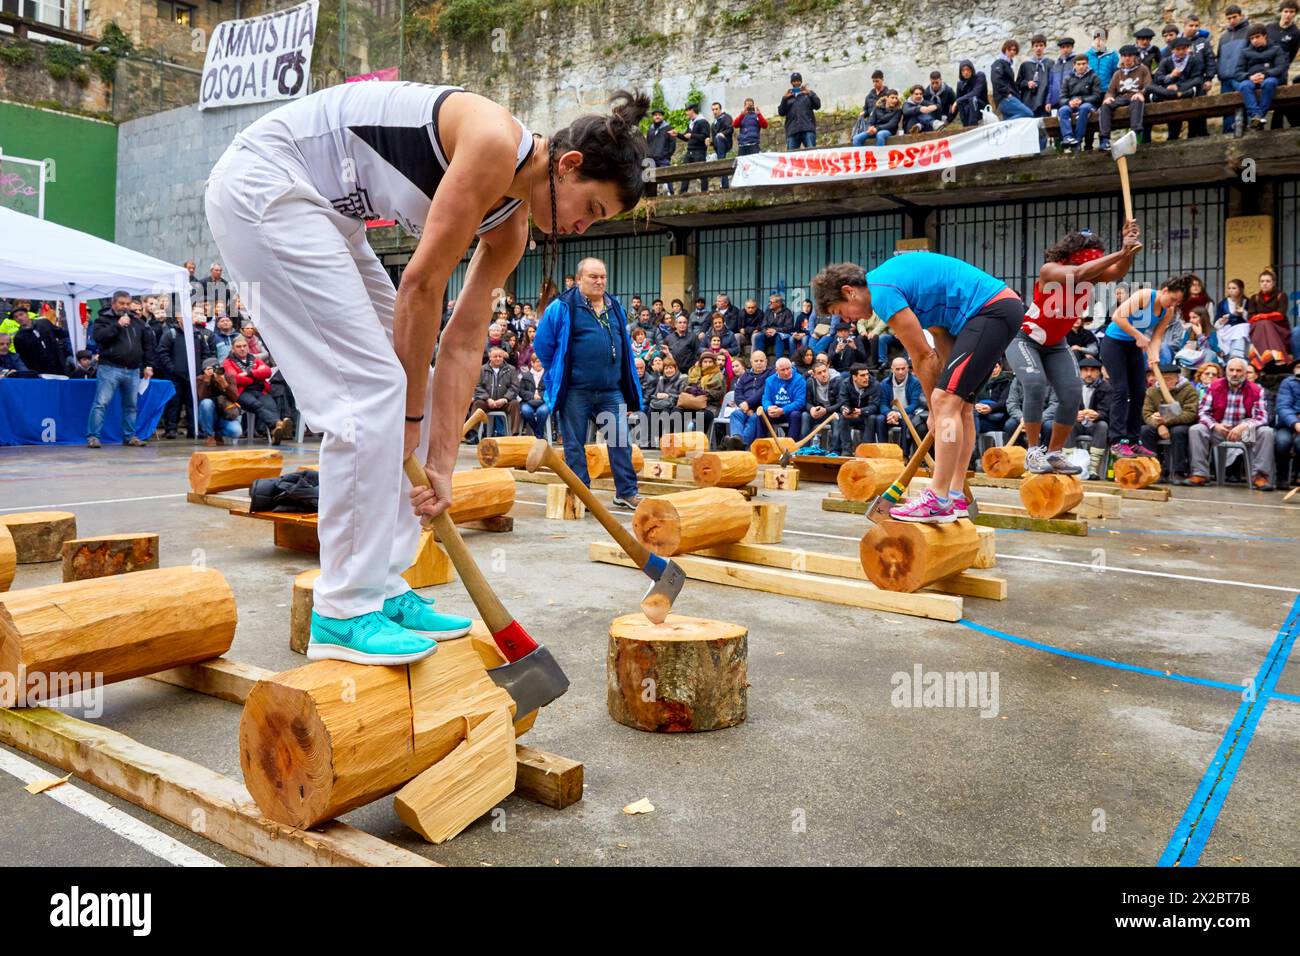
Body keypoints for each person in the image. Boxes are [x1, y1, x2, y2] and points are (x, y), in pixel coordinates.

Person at [205, 81, 650, 663]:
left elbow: (463, 342)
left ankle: (384, 583)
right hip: (264, 185)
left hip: (326, 216)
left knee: (395, 384)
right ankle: (343, 607)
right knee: (372, 393)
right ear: (567, 166)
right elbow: (420, 285)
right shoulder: (494, 142)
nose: (580, 228)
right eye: (589, 208)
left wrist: (439, 465)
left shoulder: (512, 226)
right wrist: (411, 416)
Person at [812, 252, 1024, 522]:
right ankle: (955, 495)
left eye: (840, 312)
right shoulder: (897, 285)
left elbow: (922, 356)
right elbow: (938, 334)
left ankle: (938, 499)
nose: (848, 320)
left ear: (849, 292)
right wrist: (947, 392)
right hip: (995, 311)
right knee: (960, 407)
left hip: (990, 311)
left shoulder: (882, 292)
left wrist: (936, 409)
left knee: (945, 402)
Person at [1011, 221, 1141, 473]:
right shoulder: (1050, 270)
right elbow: (1080, 273)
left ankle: (1055, 454)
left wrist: (1129, 252)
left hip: (1057, 345)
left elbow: (1117, 272)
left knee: (1071, 393)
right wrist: (1122, 251)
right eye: (1092, 261)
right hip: (1025, 339)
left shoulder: (1092, 275)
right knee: (1035, 384)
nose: (1096, 268)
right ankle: (1033, 452)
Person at [534, 257, 643, 507]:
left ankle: (626, 492)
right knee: (574, 445)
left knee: (621, 440)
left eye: (603, 277)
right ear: (579, 278)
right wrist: (559, 370)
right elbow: (543, 345)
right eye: (593, 277)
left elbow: (623, 344)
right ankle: (581, 494)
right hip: (576, 390)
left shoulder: (614, 305)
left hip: (610, 390)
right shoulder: (562, 306)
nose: (599, 281)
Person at [1101, 275, 1194, 458]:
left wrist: (1154, 355)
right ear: (1165, 290)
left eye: (1178, 302)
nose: (1173, 304)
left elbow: (1157, 336)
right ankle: (1117, 441)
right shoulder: (1145, 295)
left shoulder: (1168, 310)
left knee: (1139, 391)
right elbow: (1118, 317)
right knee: (1121, 390)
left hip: (1135, 345)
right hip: (1114, 343)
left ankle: (1133, 441)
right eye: (1173, 299)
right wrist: (1138, 336)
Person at [1186, 357, 1276, 489]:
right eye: (1231, 370)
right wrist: (1215, 425)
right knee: (1196, 429)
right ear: (1226, 371)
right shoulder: (1214, 386)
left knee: (1266, 432)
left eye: (1238, 370)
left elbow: (1262, 417)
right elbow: (1202, 412)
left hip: (1245, 433)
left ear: (1245, 373)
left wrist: (1244, 426)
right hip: (1220, 431)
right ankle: (1200, 474)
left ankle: (1260, 477)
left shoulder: (1257, 390)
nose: (1234, 374)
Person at [86, 290, 156, 448]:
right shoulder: (103, 320)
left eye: (127, 304)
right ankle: (93, 436)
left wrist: (148, 365)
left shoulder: (137, 322)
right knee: (101, 403)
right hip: (109, 368)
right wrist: (117, 325)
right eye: (121, 303)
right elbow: (99, 337)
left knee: (131, 405)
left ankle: (130, 436)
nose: (125, 307)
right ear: (113, 303)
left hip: (132, 370)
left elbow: (147, 345)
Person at [224, 335, 292, 443]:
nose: (242, 348)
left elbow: (267, 372)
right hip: (242, 392)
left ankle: (275, 432)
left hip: (260, 390)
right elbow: (235, 379)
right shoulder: (228, 362)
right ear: (233, 349)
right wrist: (256, 376)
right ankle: (277, 424)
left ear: (248, 347)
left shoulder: (254, 358)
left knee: (271, 405)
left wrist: (248, 373)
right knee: (256, 405)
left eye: (244, 346)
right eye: (238, 346)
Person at [1141, 362, 1200, 483]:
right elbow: (1147, 413)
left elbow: (1190, 414)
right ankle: (1155, 469)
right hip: (1159, 425)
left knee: (1178, 432)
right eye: (1163, 380)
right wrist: (1159, 425)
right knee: (1145, 431)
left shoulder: (1189, 390)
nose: (1166, 383)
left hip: (1180, 423)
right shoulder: (1152, 391)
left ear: (1177, 378)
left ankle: (1178, 471)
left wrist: (1166, 421)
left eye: (1170, 379)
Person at [1098, 45, 1151, 149]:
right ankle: (1104, 139)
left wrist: (1141, 93)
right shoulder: (1118, 73)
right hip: (1122, 97)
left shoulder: (1143, 69)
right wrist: (1108, 97)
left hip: (1136, 96)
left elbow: (1148, 84)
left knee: (1137, 101)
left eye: (1130, 56)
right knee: (1105, 106)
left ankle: (1135, 133)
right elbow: (1110, 91)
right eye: (1124, 56)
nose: (1127, 58)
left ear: (1134, 57)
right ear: (1121, 57)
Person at [470, 346, 521, 437]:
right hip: (487, 402)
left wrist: (505, 399)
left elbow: (515, 387)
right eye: (495, 356)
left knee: (515, 404)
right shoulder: (482, 369)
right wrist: (487, 399)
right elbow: (477, 386)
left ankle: (514, 434)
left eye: (500, 356)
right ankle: (473, 435)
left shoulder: (511, 369)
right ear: (490, 357)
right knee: (477, 403)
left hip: (504, 402)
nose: (498, 358)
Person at [1247, 268, 1292, 369]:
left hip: (1279, 329)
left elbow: (1280, 315)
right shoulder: (1255, 298)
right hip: (1259, 328)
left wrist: (1263, 316)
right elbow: (1250, 318)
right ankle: (1277, 358)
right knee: (1263, 325)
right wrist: (1263, 319)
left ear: (1274, 283)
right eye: (1262, 281)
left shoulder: (1281, 296)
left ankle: (1260, 362)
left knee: (1265, 324)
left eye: (1268, 281)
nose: (1265, 284)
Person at [1057, 54, 1103, 151]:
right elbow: (1061, 98)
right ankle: (1068, 137)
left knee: (1084, 108)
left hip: (1088, 105)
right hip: (1072, 104)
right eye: (1078, 64)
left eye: (1083, 64)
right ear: (1074, 65)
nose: (1081, 66)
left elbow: (1097, 96)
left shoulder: (1094, 77)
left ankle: (1077, 139)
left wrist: (1082, 100)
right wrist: (1069, 102)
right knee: (1063, 110)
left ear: (1087, 64)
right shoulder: (1067, 79)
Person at [728, 349, 773, 444]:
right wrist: (746, 408)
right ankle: (737, 438)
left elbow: (763, 391)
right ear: (751, 362)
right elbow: (738, 393)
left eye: (761, 361)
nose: (759, 363)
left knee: (755, 418)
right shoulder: (745, 375)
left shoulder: (770, 373)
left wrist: (749, 404)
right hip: (745, 409)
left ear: (766, 361)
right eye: (756, 361)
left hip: (761, 408)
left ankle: (741, 445)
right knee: (735, 414)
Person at [196, 357, 243, 445]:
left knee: (236, 431)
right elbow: (202, 399)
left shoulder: (228, 376)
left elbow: (236, 399)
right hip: (210, 416)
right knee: (206, 403)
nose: (215, 371)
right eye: (211, 369)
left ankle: (218, 434)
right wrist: (207, 380)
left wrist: (224, 384)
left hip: (226, 415)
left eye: (216, 368)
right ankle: (210, 435)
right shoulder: (201, 379)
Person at [836, 363, 879, 453]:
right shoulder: (845, 384)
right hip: (852, 415)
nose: (866, 377)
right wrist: (845, 410)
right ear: (854, 377)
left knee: (871, 417)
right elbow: (843, 402)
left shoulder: (875, 384)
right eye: (862, 375)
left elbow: (875, 406)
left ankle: (865, 451)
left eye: (867, 374)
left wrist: (861, 411)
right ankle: (846, 450)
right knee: (842, 417)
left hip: (865, 415)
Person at [761, 357, 807, 439]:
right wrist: (768, 408)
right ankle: (762, 444)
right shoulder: (770, 380)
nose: (786, 372)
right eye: (783, 370)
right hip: (775, 411)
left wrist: (783, 410)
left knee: (795, 414)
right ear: (776, 370)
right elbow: (766, 398)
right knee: (761, 415)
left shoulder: (799, 379)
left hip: (790, 412)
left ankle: (790, 446)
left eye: (788, 369)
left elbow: (800, 401)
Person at [1274, 357, 1300, 487]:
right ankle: (1282, 477)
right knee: (1282, 442)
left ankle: (1297, 475)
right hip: (1288, 424)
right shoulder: (1288, 382)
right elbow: (1283, 407)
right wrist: (1295, 423)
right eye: (1298, 367)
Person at [779, 72, 821, 150]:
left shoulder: (808, 94)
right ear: (791, 83)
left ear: (801, 82)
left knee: (812, 154)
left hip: (807, 128)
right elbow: (781, 112)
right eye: (794, 81)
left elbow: (818, 105)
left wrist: (809, 93)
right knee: (791, 157)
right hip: (792, 130)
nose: (796, 83)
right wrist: (784, 98)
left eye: (798, 81)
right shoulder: (787, 97)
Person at [518, 353, 550, 438]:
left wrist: (541, 395)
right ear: (532, 363)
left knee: (542, 411)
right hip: (528, 402)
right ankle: (539, 433)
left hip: (543, 402)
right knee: (526, 411)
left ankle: (538, 435)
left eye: (541, 362)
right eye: (537, 362)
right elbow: (521, 391)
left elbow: (551, 389)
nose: (540, 364)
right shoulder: (525, 376)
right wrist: (532, 395)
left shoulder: (547, 375)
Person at [952, 60, 989, 127]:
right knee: (960, 102)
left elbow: (975, 93)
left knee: (972, 99)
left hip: (982, 108)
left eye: (968, 69)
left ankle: (972, 127)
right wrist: (948, 121)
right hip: (968, 111)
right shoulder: (960, 84)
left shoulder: (980, 76)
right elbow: (957, 104)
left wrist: (957, 101)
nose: (966, 72)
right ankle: (966, 127)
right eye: (963, 71)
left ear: (972, 70)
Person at [710, 102, 734, 188]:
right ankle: (724, 184)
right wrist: (709, 142)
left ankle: (725, 185)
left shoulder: (726, 117)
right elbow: (714, 139)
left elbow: (730, 129)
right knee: (721, 163)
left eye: (716, 109)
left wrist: (722, 133)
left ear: (720, 109)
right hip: (718, 146)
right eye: (713, 110)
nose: (714, 111)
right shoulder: (713, 124)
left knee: (722, 161)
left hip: (725, 142)